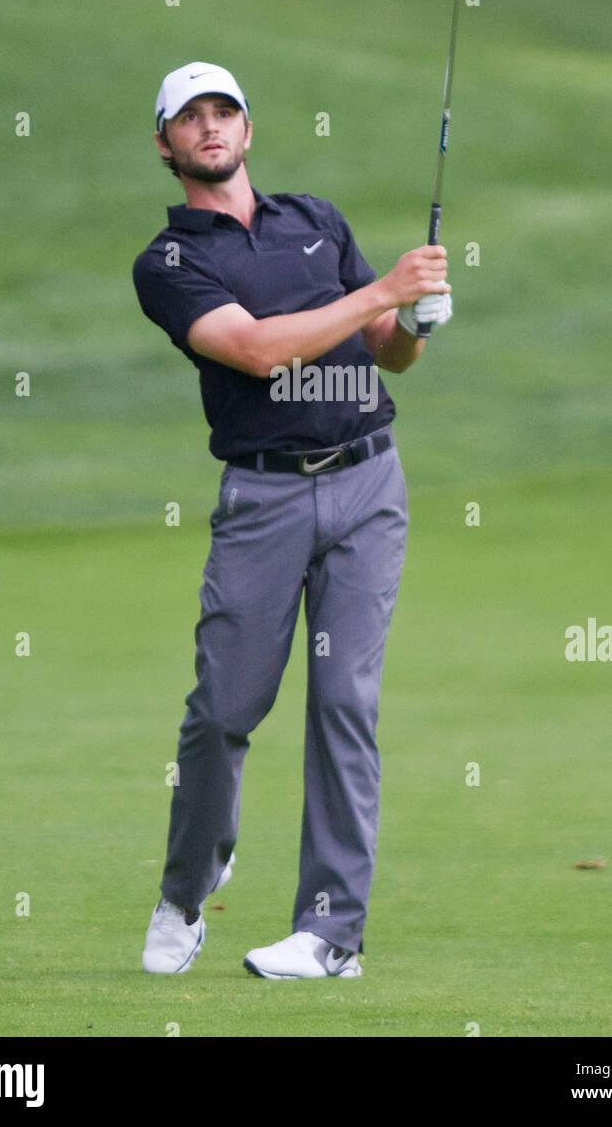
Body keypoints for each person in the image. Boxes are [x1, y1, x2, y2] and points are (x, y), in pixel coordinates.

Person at [132, 61, 451, 979]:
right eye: (187, 118)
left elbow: (385, 355)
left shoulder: (313, 220)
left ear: (247, 126)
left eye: (222, 110)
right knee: (223, 710)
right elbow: (261, 352)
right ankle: (187, 889)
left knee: (345, 701)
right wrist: (384, 290)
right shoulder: (170, 262)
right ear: (166, 144)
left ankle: (330, 934)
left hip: (366, 484)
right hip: (263, 496)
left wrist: (416, 319)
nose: (208, 126)